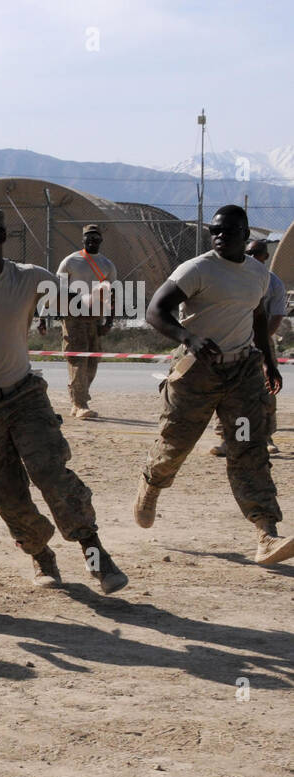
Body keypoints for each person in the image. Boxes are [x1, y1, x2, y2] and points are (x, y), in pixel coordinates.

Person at [0, 207, 128, 592]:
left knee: (52, 473)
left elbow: (72, 308)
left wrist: (100, 301)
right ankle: (41, 555)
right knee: (3, 491)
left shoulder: (31, 277)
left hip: (24, 396)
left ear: (2, 237)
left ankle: (95, 555)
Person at [135, 206, 294, 565]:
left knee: (248, 449)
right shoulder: (197, 269)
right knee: (175, 446)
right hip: (196, 374)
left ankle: (266, 534)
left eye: (228, 231)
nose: (220, 236)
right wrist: (187, 337)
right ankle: (152, 482)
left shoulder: (258, 274)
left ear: (245, 233)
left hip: (241, 374)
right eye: (215, 231)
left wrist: (269, 362)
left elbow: (255, 317)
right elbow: (156, 310)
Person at [209, 238, 286, 455]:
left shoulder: (273, 283)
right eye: (249, 253)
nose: (252, 258)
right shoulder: (232, 278)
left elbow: (277, 315)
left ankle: (266, 437)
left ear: (265, 257)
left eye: (256, 254)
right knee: (227, 389)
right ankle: (226, 438)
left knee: (265, 389)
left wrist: (260, 339)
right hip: (231, 340)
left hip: (260, 341)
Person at [55, 224, 117, 419]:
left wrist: (108, 322)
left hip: (95, 317)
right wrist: (47, 314)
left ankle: (77, 398)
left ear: (101, 240)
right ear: (82, 239)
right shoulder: (71, 261)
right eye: (88, 237)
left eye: (95, 237)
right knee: (77, 357)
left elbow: (111, 295)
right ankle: (80, 403)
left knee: (93, 359)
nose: (92, 241)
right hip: (73, 316)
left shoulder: (107, 264)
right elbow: (58, 288)